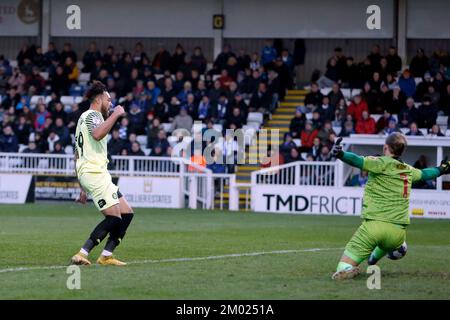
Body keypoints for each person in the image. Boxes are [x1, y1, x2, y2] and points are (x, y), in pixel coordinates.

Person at [330, 133, 450, 280]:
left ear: (385, 147)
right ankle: (373, 259)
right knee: (396, 245)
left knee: (342, 266)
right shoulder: (408, 169)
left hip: (373, 228)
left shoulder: (380, 162)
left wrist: (341, 153)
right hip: (397, 233)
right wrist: (441, 169)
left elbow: (357, 160)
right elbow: (425, 174)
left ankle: (348, 269)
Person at [71, 81, 134, 266]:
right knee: (114, 217)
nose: (111, 102)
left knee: (127, 213)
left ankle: (106, 256)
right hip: (94, 173)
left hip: (94, 173)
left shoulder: (84, 119)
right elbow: (98, 134)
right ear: (99, 99)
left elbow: (76, 155)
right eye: (108, 99)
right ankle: (82, 253)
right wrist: (115, 115)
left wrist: (82, 187)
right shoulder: (93, 115)